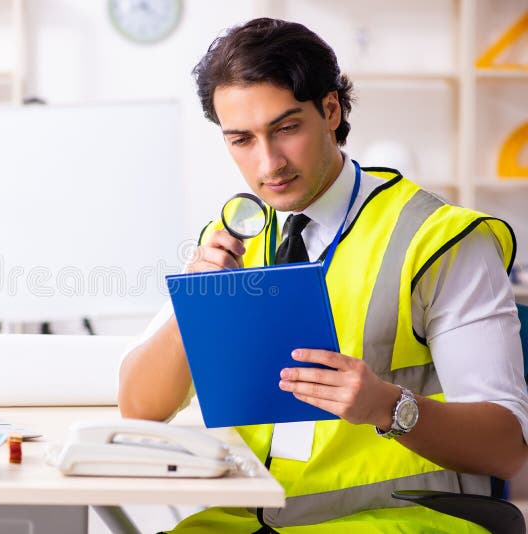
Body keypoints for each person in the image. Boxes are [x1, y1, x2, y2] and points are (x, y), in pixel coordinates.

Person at [118, 17, 528, 533]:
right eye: (241, 139)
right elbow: (139, 406)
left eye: (286, 129)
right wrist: (196, 305)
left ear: (331, 110)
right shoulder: (236, 235)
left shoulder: (438, 239)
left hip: (402, 518)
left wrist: (387, 407)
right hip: (255, 519)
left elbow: (506, 449)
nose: (268, 163)